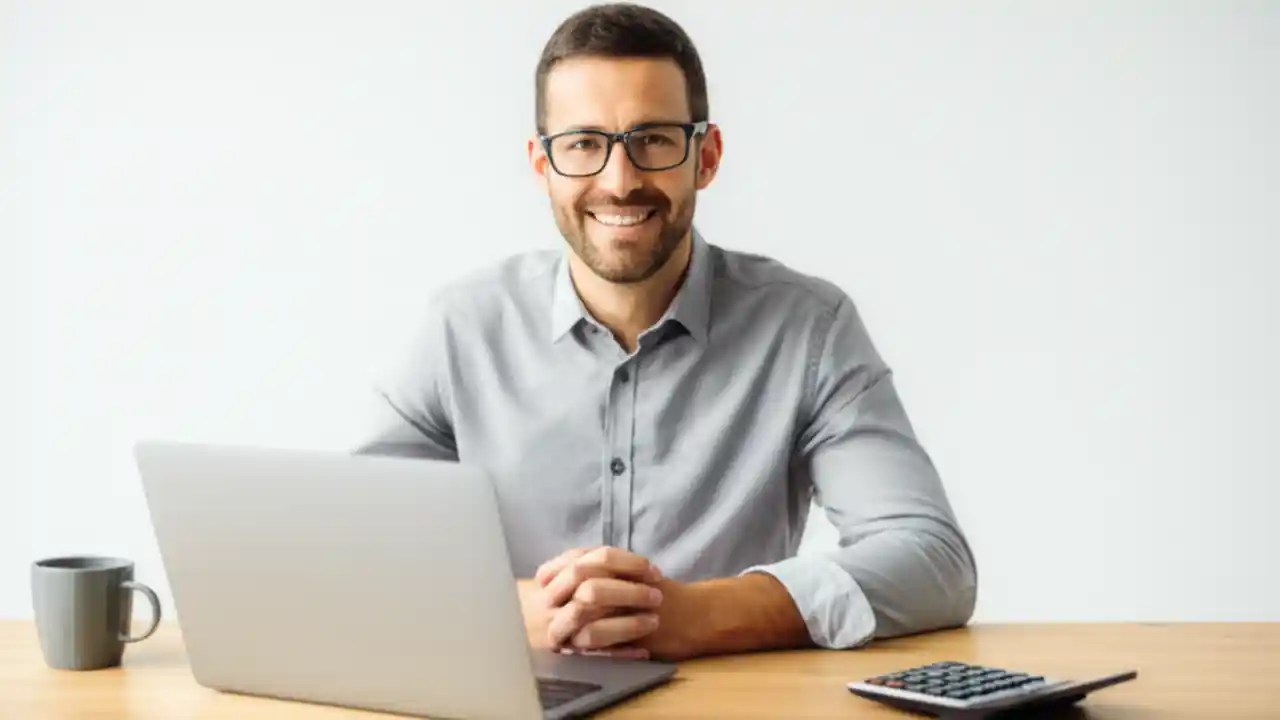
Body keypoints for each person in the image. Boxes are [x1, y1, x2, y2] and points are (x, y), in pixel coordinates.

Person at [355, 2, 976, 661]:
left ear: (705, 156)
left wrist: (698, 616)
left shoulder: (808, 330)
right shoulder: (460, 330)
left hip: (726, 702)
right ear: (542, 165)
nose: (619, 181)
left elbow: (932, 560)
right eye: (584, 144)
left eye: (653, 139)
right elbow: (355, 551)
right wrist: (509, 613)